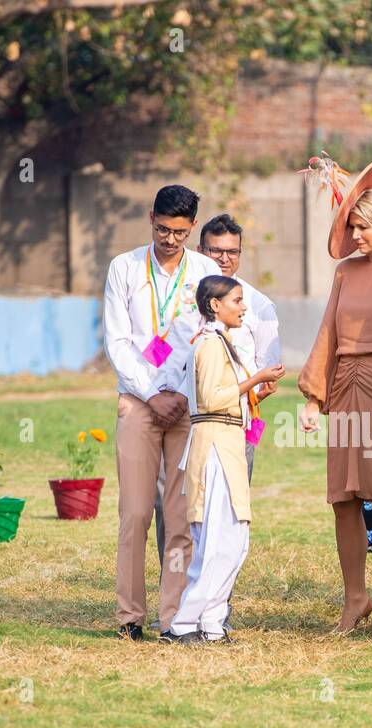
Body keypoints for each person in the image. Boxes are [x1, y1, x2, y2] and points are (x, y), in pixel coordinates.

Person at [298, 158, 372, 640]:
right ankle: (355, 597)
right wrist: (312, 397)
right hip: (345, 386)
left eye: (362, 227)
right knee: (343, 498)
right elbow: (328, 328)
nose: (355, 235)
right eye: (351, 226)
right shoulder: (345, 271)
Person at [103, 185, 220, 640]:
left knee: (181, 515)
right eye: (161, 229)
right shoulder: (124, 268)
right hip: (139, 401)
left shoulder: (206, 271)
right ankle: (129, 616)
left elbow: (211, 337)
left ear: (192, 227)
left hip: (188, 405)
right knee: (135, 512)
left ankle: (174, 618)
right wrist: (153, 393)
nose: (170, 240)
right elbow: (118, 342)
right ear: (150, 217)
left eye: (179, 232)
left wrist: (185, 393)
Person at [165, 276, 284, 643]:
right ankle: (185, 623)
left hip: (229, 443)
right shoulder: (209, 344)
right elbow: (213, 399)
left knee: (234, 540)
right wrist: (256, 378)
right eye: (236, 300)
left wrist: (256, 392)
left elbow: (225, 399)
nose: (243, 307)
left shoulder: (224, 344)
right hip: (214, 446)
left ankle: (212, 624)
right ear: (215, 305)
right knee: (215, 541)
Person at [196, 213, 282, 478]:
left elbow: (268, 369)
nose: (224, 258)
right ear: (199, 251)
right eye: (216, 250)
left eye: (232, 251)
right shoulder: (182, 297)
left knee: (233, 503)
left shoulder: (258, 305)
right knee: (180, 504)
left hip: (236, 419)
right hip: (183, 417)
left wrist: (244, 399)